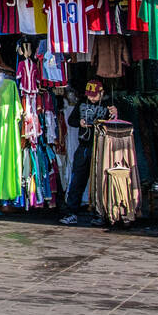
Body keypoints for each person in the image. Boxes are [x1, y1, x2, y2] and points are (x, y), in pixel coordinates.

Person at [60, 79, 117, 226]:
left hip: (101, 146)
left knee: (100, 181)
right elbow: (71, 120)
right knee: (78, 179)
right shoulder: (82, 103)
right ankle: (72, 212)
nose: (91, 98)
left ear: (101, 92)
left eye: (94, 95)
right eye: (89, 95)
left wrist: (115, 114)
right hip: (84, 145)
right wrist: (80, 122)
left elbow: (117, 123)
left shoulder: (109, 103)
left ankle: (100, 213)